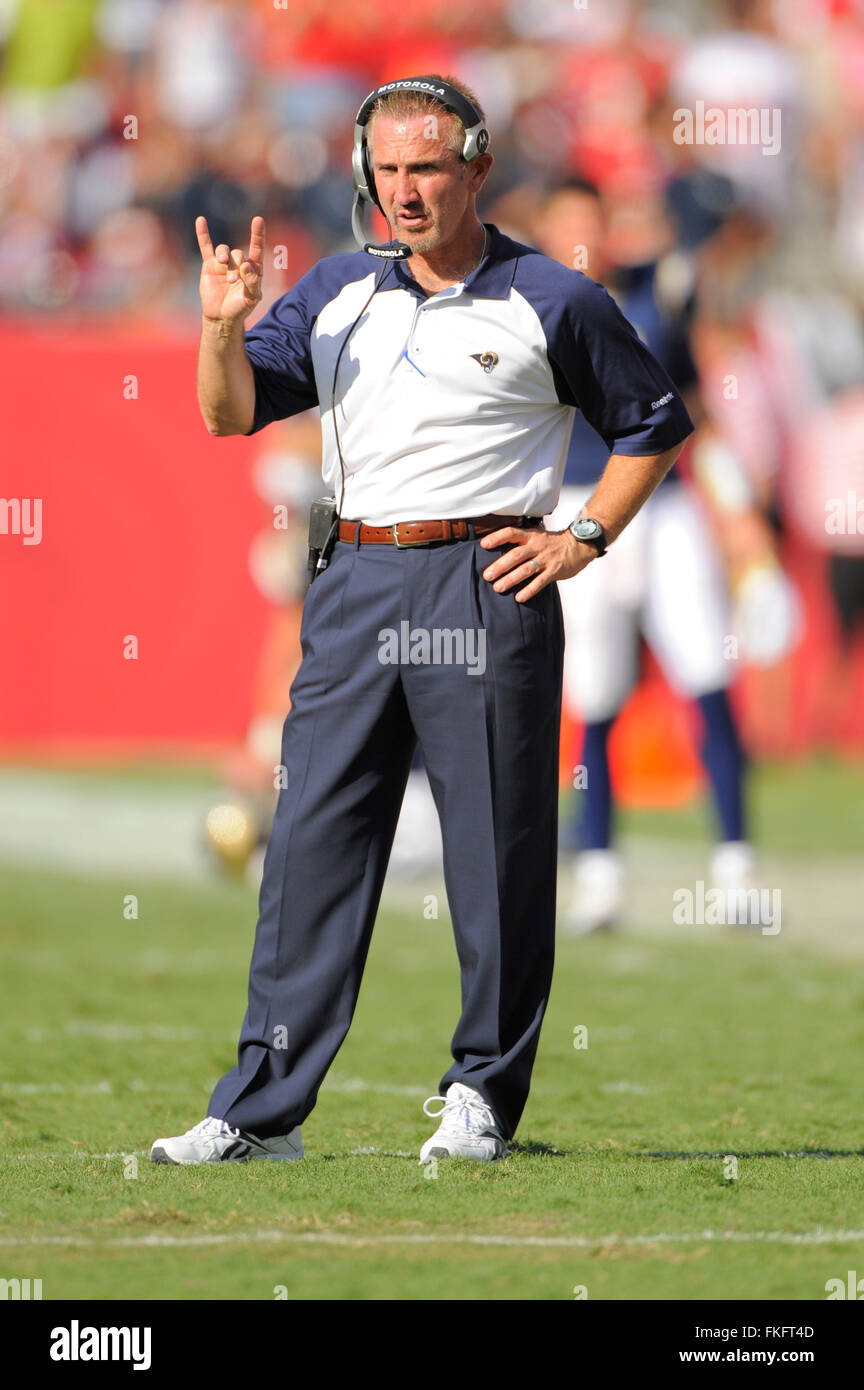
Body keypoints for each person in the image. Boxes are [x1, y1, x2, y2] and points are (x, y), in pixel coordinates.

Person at [149, 75, 692, 1168]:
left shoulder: (552, 295)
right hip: (352, 578)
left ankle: (482, 1094)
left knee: (495, 849)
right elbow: (229, 413)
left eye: (427, 168)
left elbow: (654, 424)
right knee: (308, 845)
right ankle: (259, 1111)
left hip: (483, 579)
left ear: (477, 169)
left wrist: (581, 539)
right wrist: (221, 328)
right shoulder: (339, 290)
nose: (404, 190)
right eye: (387, 169)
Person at [536, 180, 770, 933]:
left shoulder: (659, 292)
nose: (579, 234)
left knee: (708, 674)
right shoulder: (519, 306)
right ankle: (600, 874)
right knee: (595, 699)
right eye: (565, 222)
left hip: (661, 509)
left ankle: (737, 867)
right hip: (574, 512)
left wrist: (736, 512)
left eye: (588, 220)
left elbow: (698, 408)